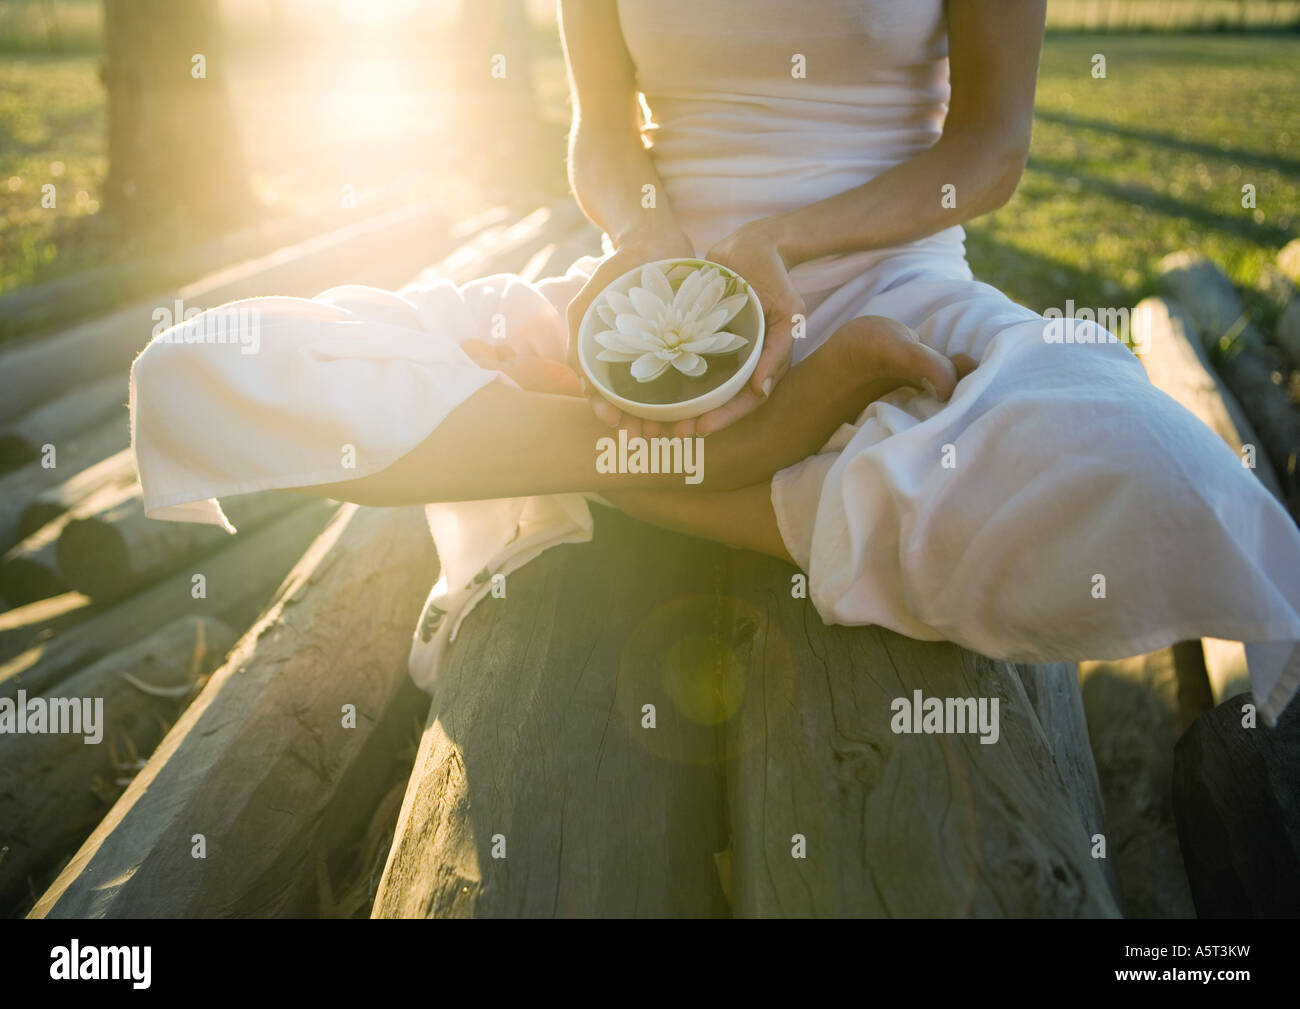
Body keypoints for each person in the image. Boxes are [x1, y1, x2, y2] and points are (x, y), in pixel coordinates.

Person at [130, 0, 1300, 721]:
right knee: (207, 371)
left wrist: (779, 245)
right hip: (658, 302)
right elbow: (601, 129)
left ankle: (596, 470)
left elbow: (987, 151)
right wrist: (645, 246)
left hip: (889, 283)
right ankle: (750, 445)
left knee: (1154, 469)